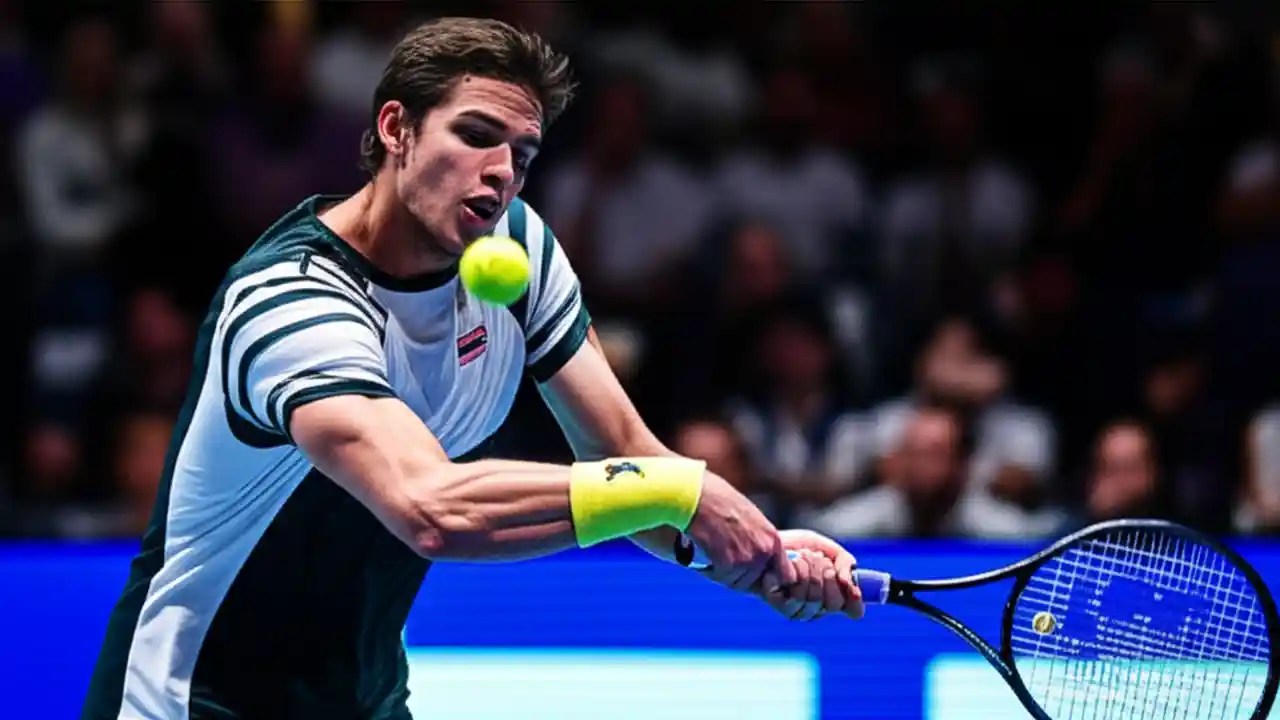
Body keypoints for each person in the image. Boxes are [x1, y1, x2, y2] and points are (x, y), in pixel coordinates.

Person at [81, 18, 862, 720]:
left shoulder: (517, 249)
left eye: (522, 155)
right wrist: (682, 492)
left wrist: (751, 553)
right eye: (476, 135)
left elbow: (624, 458)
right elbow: (431, 508)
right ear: (397, 128)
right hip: (191, 703)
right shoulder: (291, 304)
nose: (501, 174)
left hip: (363, 699)